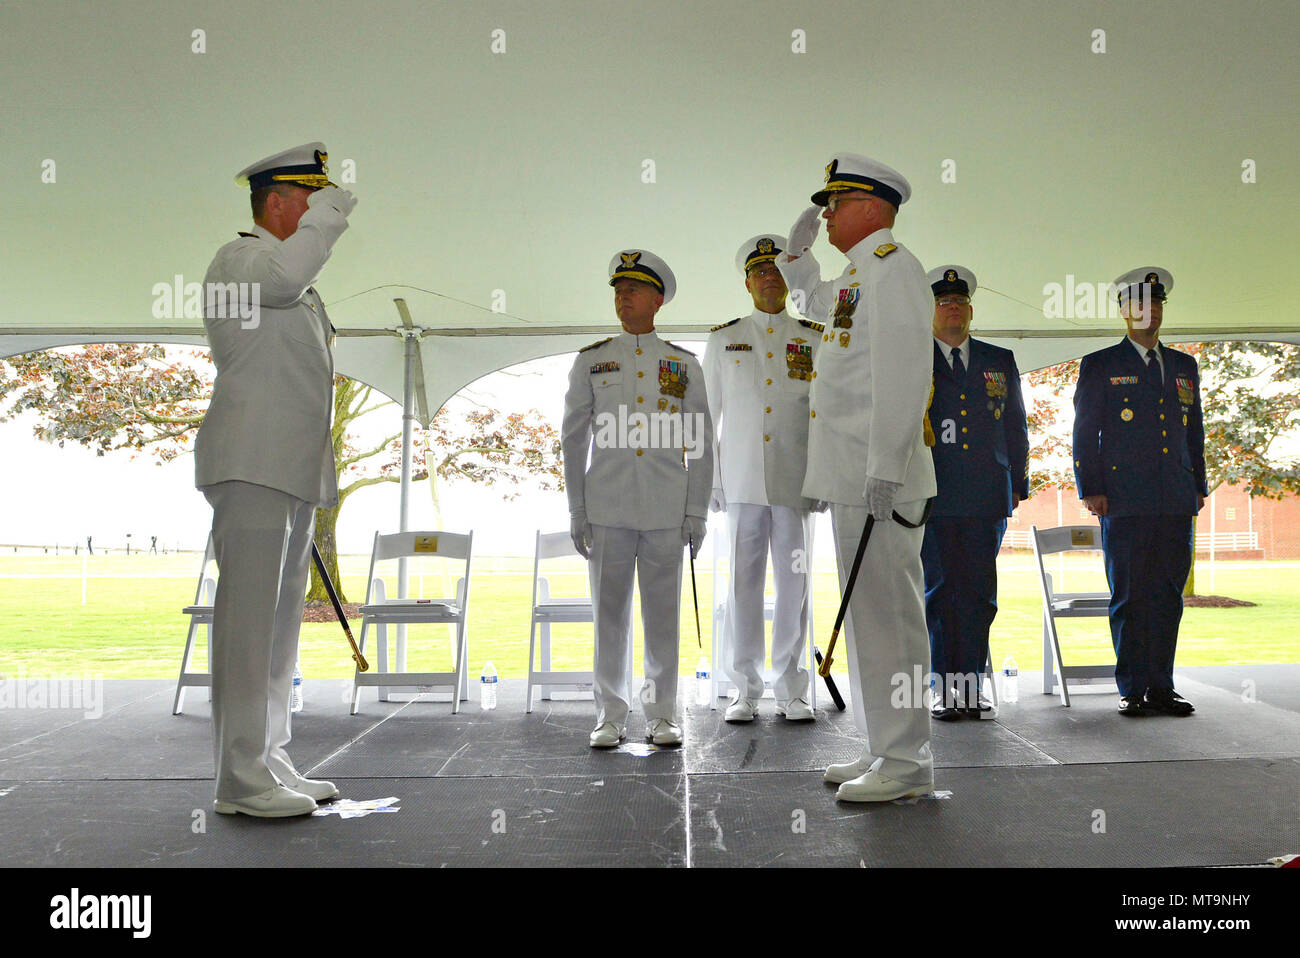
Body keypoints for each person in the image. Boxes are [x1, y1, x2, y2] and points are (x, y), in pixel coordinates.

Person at [194, 142, 357, 817]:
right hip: (251, 462)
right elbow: (287, 280)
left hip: (285, 469)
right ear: (279, 201)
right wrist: (339, 210)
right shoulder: (243, 260)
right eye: (310, 197)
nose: (319, 209)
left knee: (278, 624)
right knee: (247, 622)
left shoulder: (288, 279)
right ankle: (239, 778)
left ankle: (269, 758)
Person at [778, 153, 936, 802]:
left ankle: (905, 765)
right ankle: (883, 748)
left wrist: (884, 469)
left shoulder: (895, 269)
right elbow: (820, 306)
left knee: (889, 622)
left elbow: (902, 374)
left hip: (881, 481)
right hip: (854, 478)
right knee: (870, 620)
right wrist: (798, 260)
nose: (827, 213)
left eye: (837, 202)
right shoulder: (856, 277)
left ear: (873, 206)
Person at [562, 250, 713, 749]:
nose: (622, 296)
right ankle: (609, 714)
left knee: (662, 614)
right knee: (609, 615)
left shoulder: (683, 363)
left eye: (632, 289)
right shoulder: (592, 359)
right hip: (608, 506)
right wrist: (577, 508)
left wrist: (696, 510)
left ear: (658, 299)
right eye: (617, 290)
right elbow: (573, 439)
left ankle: (663, 713)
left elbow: (701, 441)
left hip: (666, 507)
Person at [1072, 267, 1206, 717]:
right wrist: (1091, 488)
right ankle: (1132, 688)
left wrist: (1198, 485)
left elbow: (1194, 434)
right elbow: (1085, 431)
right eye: (1139, 304)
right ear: (1124, 312)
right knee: (1129, 595)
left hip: (1175, 498)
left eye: (1156, 304)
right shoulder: (1103, 364)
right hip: (1124, 500)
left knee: (1167, 595)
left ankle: (1162, 687)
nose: (1149, 312)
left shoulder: (1184, 366)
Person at [703, 234, 822, 723]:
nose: (770, 278)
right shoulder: (723, 338)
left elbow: (823, 415)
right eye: (761, 272)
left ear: (789, 279)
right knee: (744, 586)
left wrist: (822, 476)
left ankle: (792, 687)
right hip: (743, 481)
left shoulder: (813, 337)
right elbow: (707, 413)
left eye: (777, 271)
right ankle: (745, 688)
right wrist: (710, 478)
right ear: (747, 283)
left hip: (796, 482)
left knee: (795, 584)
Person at [922, 265, 1029, 720]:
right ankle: (945, 688)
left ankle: (973, 687)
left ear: (970, 309)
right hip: (934, 495)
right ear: (930, 310)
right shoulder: (913, 358)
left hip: (987, 494)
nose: (952, 309)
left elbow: (1015, 425)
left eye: (959, 302)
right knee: (941, 592)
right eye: (943, 302)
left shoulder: (998, 359)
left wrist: (1017, 483)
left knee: (980, 596)